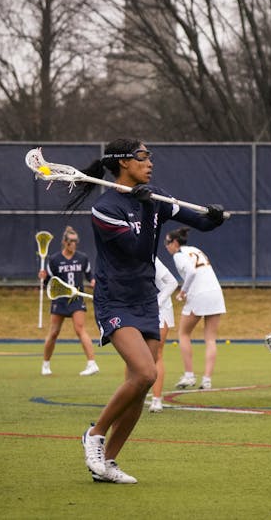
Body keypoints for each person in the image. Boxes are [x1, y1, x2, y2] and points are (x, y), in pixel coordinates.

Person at [65, 138, 226, 484]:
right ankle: (94, 434)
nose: (150, 162)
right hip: (115, 299)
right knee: (145, 374)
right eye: (143, 157)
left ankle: (107, 464)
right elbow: (139, 252)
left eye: (150, 156)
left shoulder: (154, 196)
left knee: (137, 387)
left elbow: (200, 223)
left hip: (145, 299)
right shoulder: (105, 209)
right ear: (124, 163)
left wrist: (213, 218)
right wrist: (146, 207)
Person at [165, 226, 226, 390]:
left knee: (183, 334)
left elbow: (191, 273)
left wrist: (183, 292)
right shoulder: (195, 249)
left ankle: (189, 375)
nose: (166, 246)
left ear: (175, 243)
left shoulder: (179, 255)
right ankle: (206, 380)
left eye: (168, 242)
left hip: (199, 294)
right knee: (211, 339)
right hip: (215, 292)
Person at [38, 226, 98, 377]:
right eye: (71, 241)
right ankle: (46, 364)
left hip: (77, 298)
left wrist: (93, 282)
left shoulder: (82, 258)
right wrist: (44, 278)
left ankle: (92, 363)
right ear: (64, 242)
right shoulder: (54, 260)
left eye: (76, 241)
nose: (74, 244)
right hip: (60, 299)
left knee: (80, 328)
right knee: (54, 332)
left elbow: (90, 276)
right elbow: (49, 284)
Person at [149, 257, 178, 412]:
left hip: (159, 309)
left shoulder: (150, 257)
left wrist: (157, 302)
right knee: (132, 356)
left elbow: (172, 282)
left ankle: (156, 399)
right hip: (137, 309)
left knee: (156, 354)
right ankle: (132, 398)